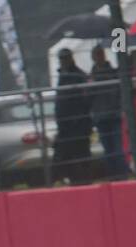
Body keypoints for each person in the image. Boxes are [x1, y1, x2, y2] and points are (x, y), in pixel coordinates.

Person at [53, 49, 93, 184]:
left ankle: (83, 180)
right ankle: (71, 179)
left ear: (71, 58)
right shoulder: (63, 75)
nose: (63, 61)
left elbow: (85, 99)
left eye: (65, 58)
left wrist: (79, 118)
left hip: (77, 124)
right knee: (64, 155)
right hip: (65, 124)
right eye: (61, 59)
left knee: (80, 154)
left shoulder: (78, 75)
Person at [88, 46, 126, 179]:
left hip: (113, 114)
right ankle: (114, 174)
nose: (99, 57)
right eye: (97, 55)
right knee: (109, 147)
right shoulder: (92, 76)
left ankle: (121, 173)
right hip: (101, 116)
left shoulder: (112, 73)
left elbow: (119, 92)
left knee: (116, 146)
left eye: (100, 54)